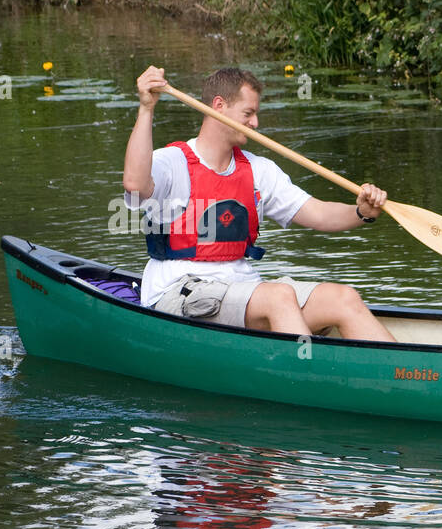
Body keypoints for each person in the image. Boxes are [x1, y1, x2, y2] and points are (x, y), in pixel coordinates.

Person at [123, 65, 395, 342]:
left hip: (244, 288)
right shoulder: (172, 162)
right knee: (278, 297)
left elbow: (320, 214)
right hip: (180, 292)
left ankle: (404, 376)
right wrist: (146, 109)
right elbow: (135, 184)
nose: (255, 123)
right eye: (248, 113)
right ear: (219, 106)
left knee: (342, 298)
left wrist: (362, 212)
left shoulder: (258, 170)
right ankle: (311, 374)